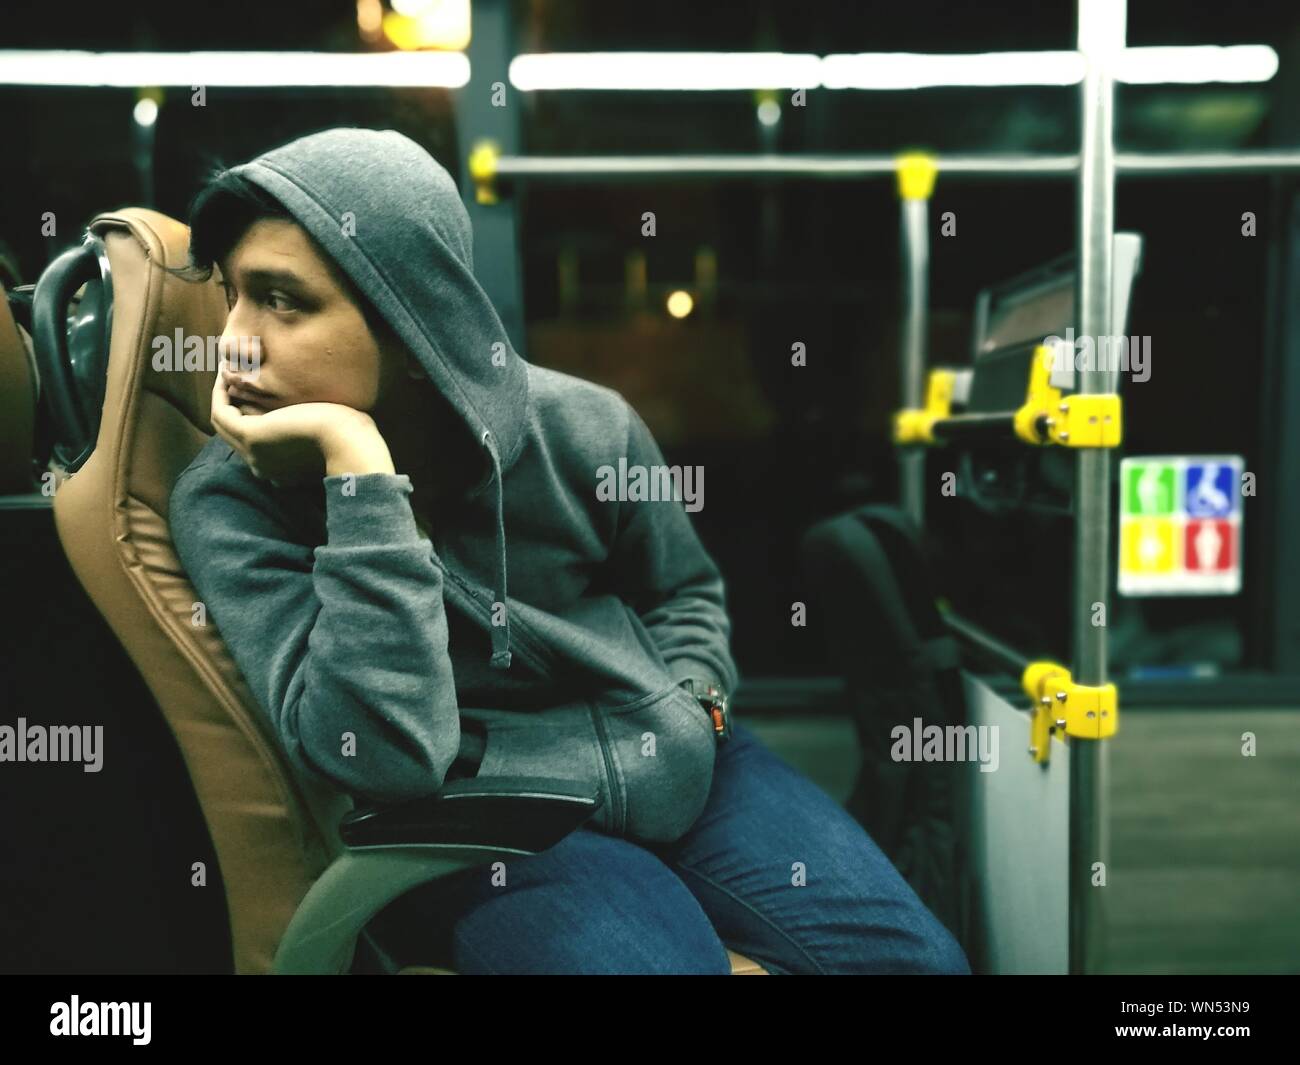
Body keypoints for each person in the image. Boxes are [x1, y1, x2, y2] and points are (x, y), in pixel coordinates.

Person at [167, 127, 969, 975]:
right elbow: (385, 755)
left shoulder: (585, 426)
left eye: (283, 301)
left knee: (921, 965)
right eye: (233, 297)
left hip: (681, 761)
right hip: (484, 818)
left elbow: (683, 589)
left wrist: (697, 703)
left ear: (410, 315)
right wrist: (359, 476)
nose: (236, 342)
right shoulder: (230, 503)